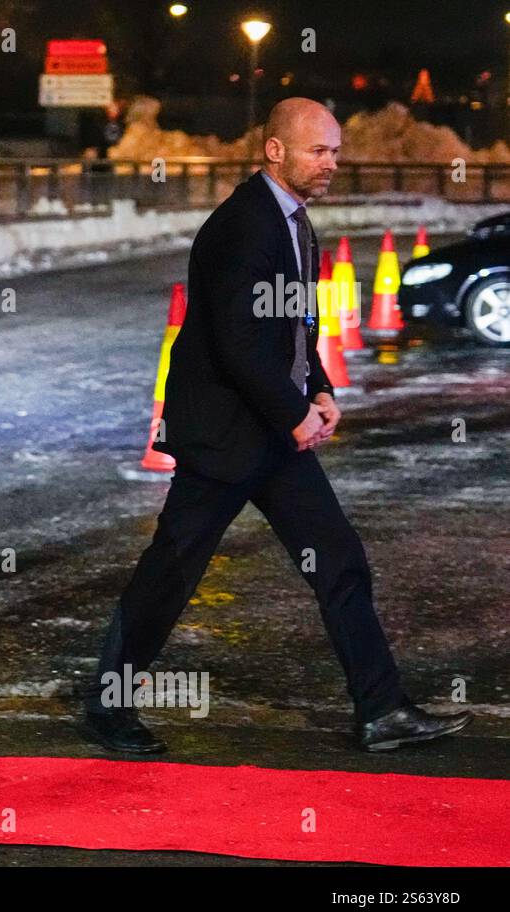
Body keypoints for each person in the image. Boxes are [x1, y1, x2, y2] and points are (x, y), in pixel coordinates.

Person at [82, 97, 471, 755]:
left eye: (337, 152)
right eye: (319, 151)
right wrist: (293, 414)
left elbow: (293, 327)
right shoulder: (244, 226)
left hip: (272, 431)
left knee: (339, 558)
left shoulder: (295, 222)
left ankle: (381, 711)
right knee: (172, 571)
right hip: (226, 436)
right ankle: (107, 703)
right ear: (274, 150)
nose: (332, 164)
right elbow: (238, 344)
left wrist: (316, 389)